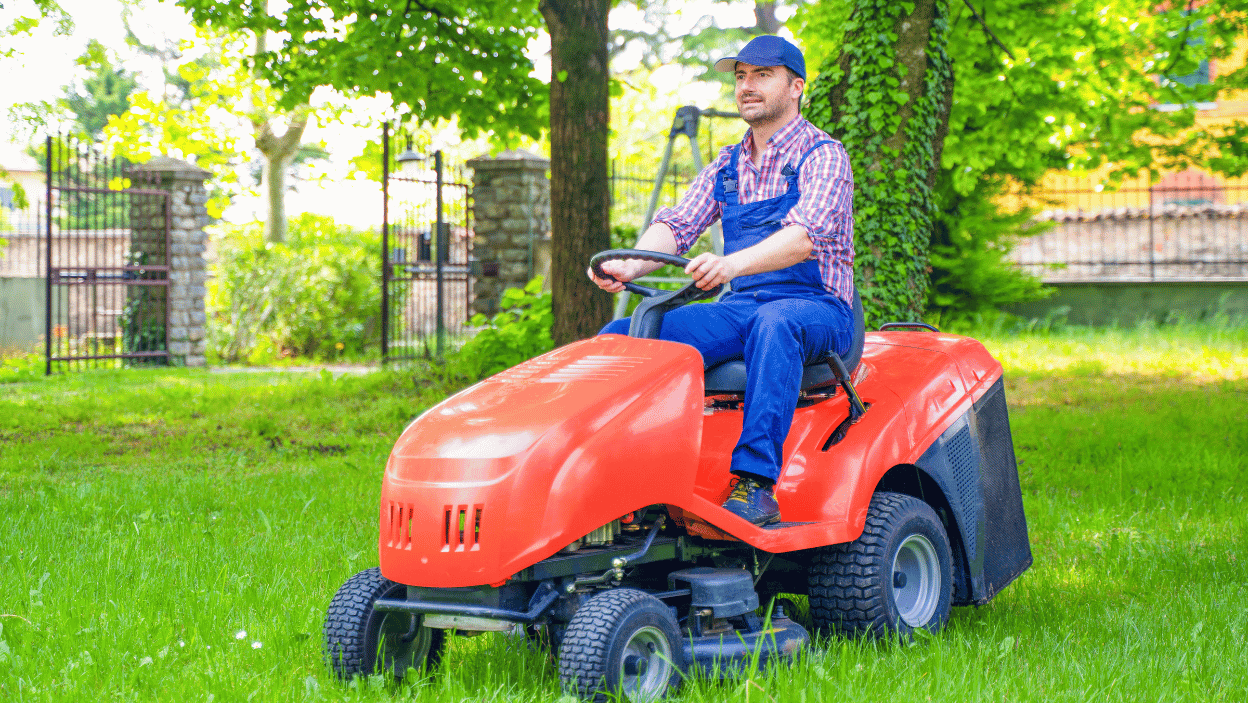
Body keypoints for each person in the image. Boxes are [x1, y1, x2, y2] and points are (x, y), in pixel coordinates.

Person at [589, 35, 856, 527]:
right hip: (743, 307)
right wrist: (630, 264)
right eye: (740, 76)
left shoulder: (824, 156)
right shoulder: (728, 165)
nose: (747, 86)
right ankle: (625, 477)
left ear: (796, 87)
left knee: (776, 323)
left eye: (762, 75)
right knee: (623, 338)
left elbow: (803, 239)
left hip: (818, 307)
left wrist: (730, 266)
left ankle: (755, 484)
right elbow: (678, 224)